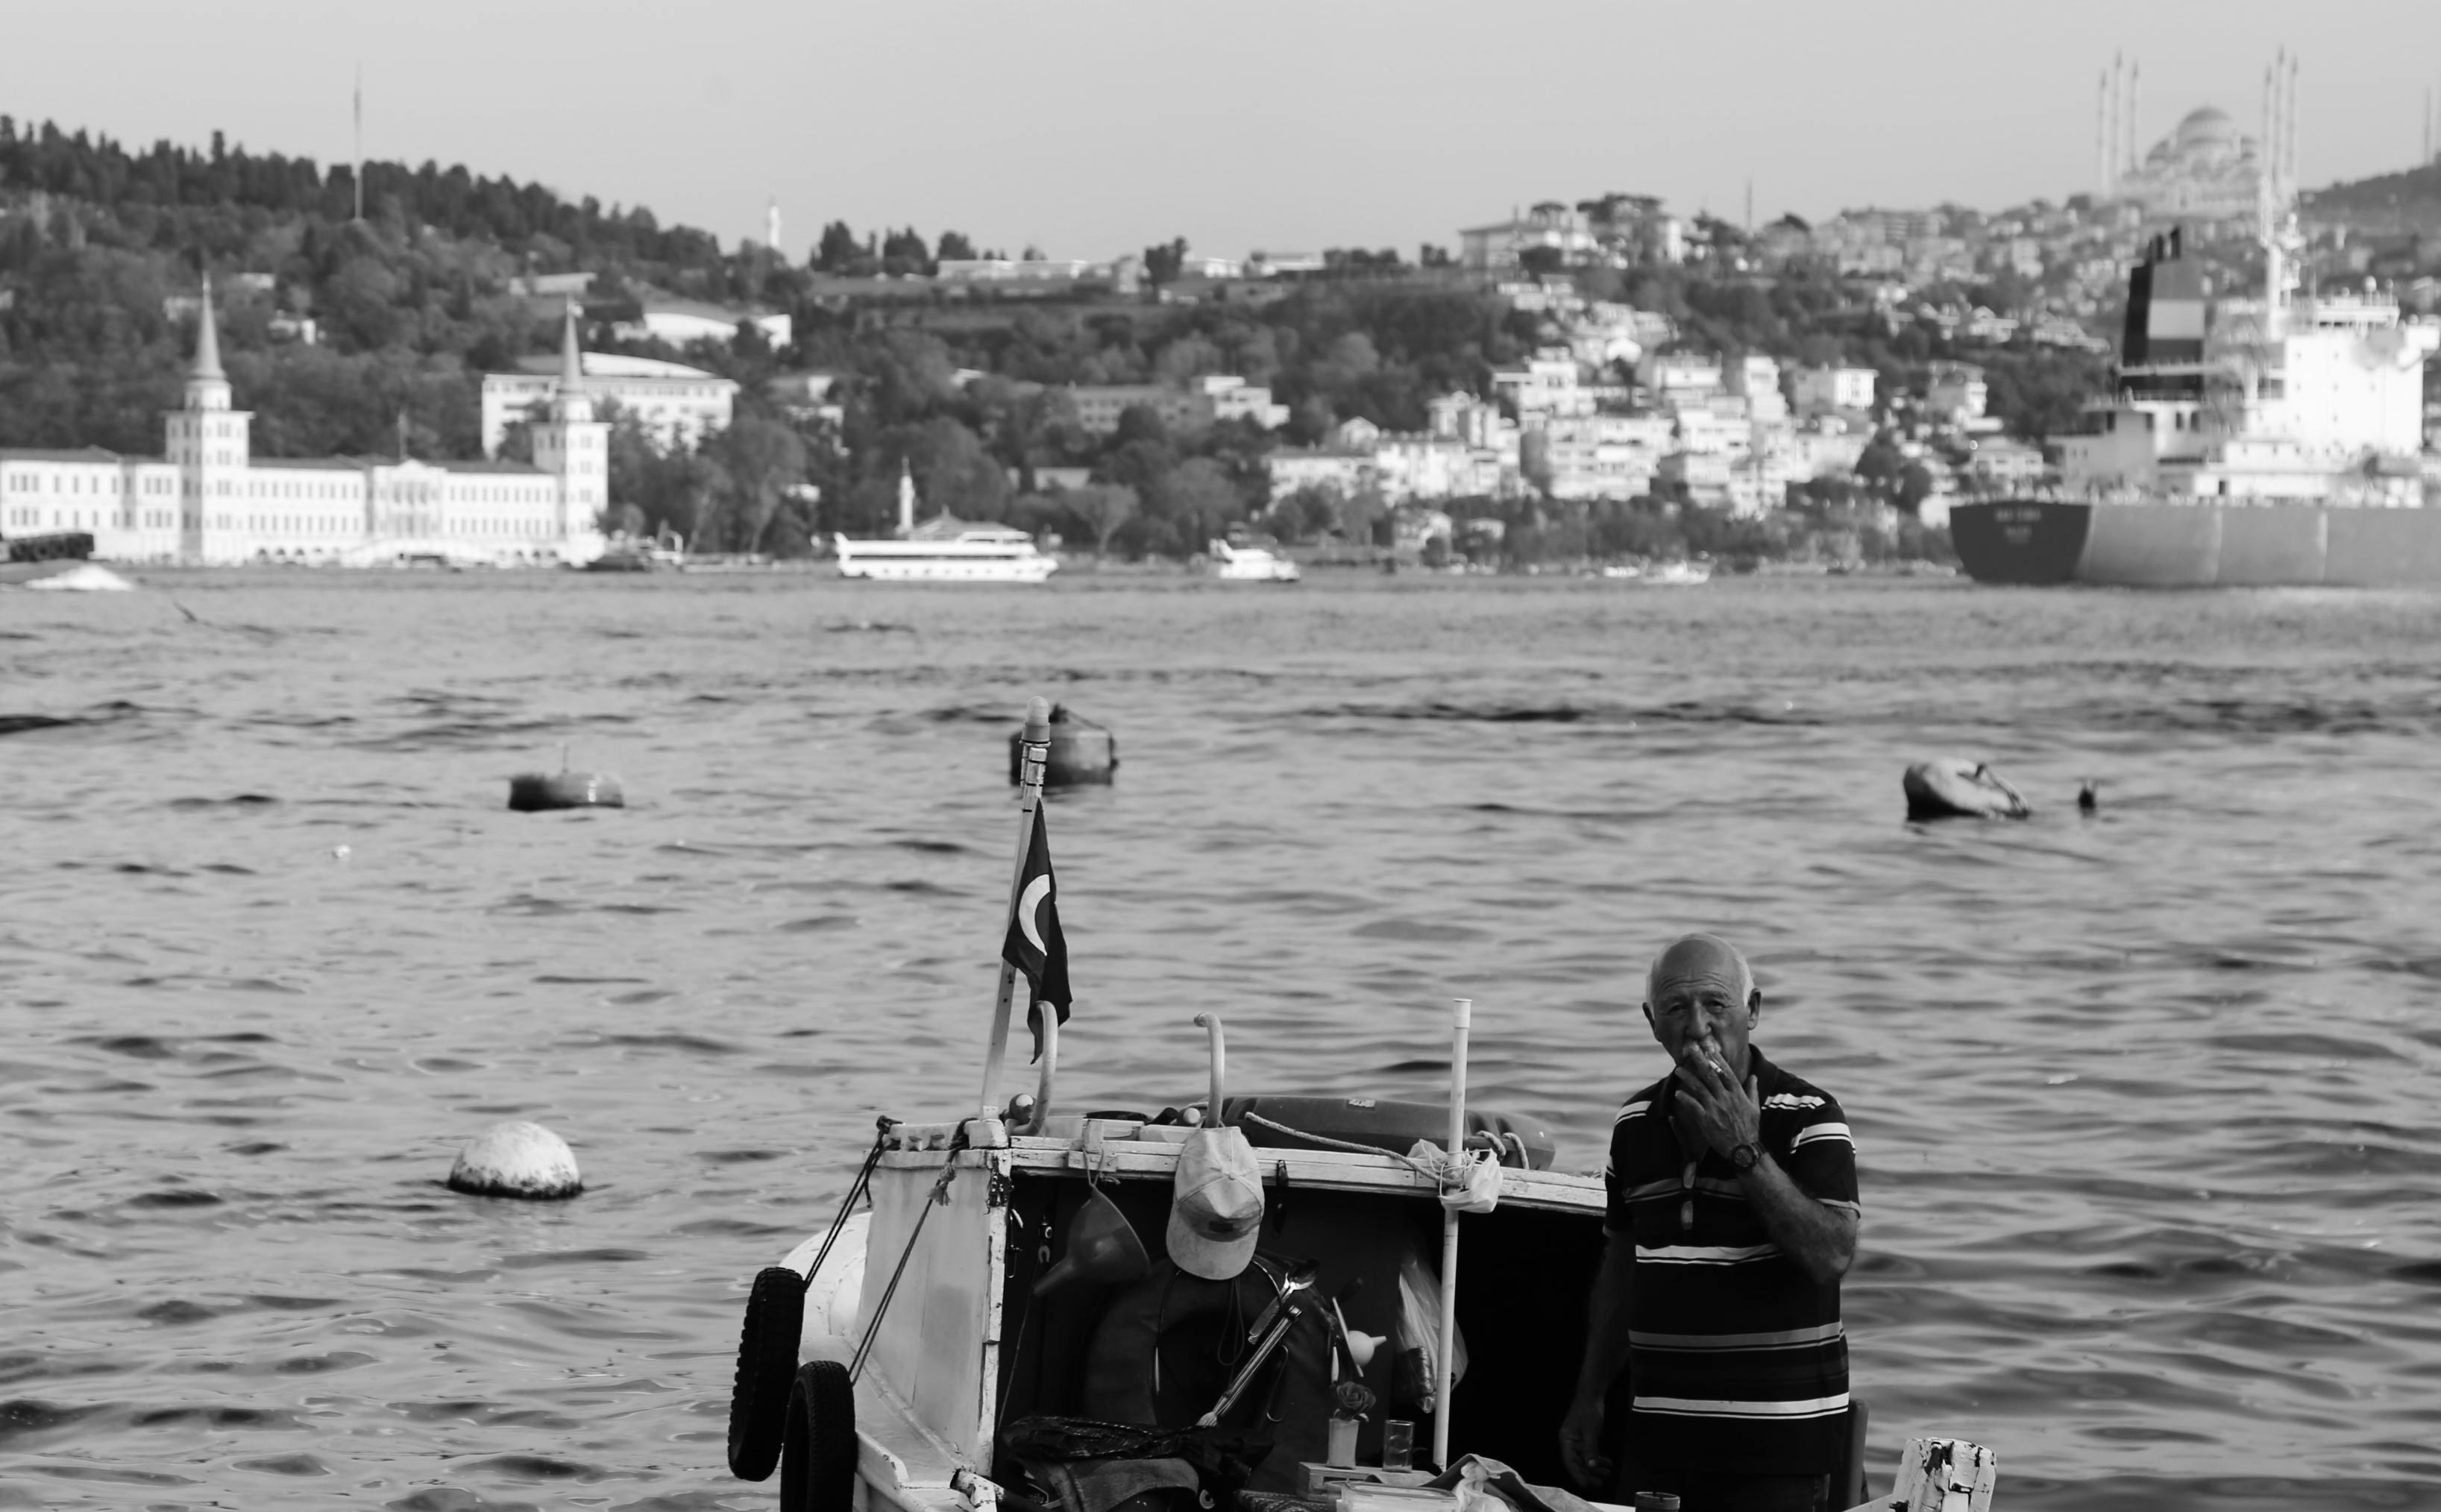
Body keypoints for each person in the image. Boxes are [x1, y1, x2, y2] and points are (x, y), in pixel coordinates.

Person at [1559, 933, 1861, 1512]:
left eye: (1715, 1005)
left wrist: (1743, 1149)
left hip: (1780, 1457)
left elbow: (1830, 1256)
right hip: (1658, 1448)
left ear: (1752, 1011)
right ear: (1651, 1022)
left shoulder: (1809, 1116)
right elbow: (1622, 1268)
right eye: (1675, 1008)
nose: (1697, 1026)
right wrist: (1589, 1396)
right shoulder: (1634, 1124)